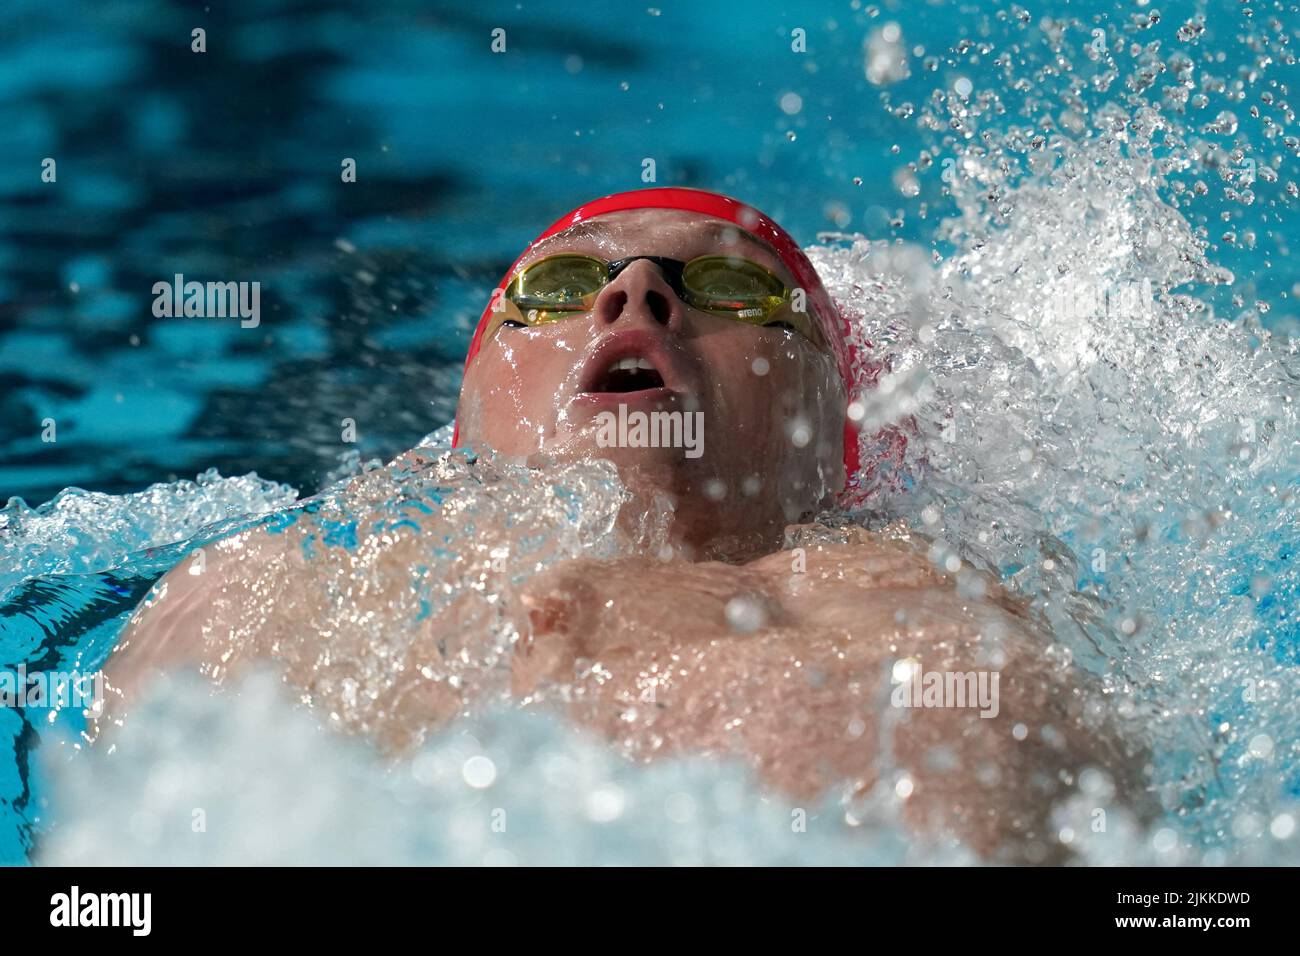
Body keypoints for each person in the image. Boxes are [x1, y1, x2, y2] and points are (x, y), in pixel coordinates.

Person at [104, 188, 1146, 862]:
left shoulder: (940, 621)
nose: (634, 292)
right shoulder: (259, 586)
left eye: (737, 288)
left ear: (837, 428)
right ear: (464, 412)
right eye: (558, 285)